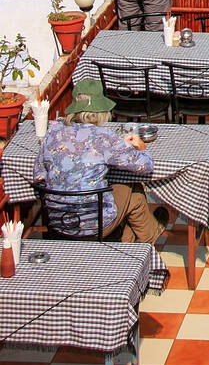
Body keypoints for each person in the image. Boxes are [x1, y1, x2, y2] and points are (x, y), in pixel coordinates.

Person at [33, 80, 168, 243]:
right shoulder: (103, 137)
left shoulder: (52, 132)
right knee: (134, 188)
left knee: (123, 195)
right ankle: (148, 237)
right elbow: (145, 166)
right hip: (95, 225)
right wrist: (141, 147)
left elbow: (39, 176)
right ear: (102, 111)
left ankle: (130, 240)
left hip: (57, 221)